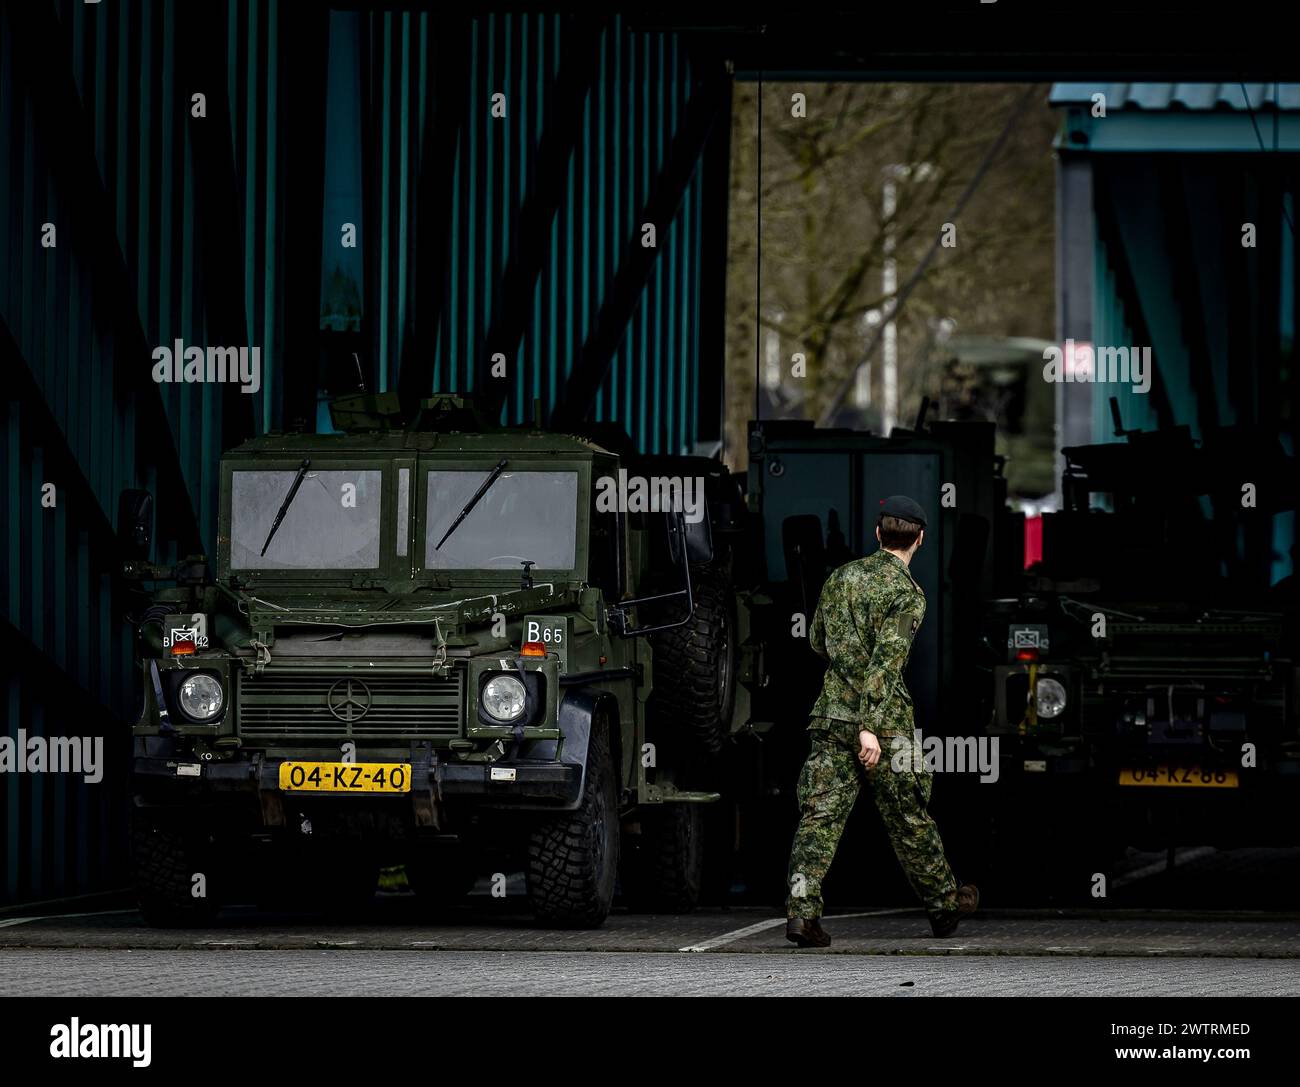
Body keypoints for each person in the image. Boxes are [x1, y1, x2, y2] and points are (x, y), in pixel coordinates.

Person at [785, 495, 978, 947]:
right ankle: (944, 907)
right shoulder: (907, 594)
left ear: (878, 534)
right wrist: (869, 726)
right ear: (920, 539)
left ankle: (801, 914)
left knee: (818, 818)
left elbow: (816, 642)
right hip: (886, 724)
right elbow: (886, 665)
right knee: (910, 817)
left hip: (831, 714)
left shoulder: (841, 577)